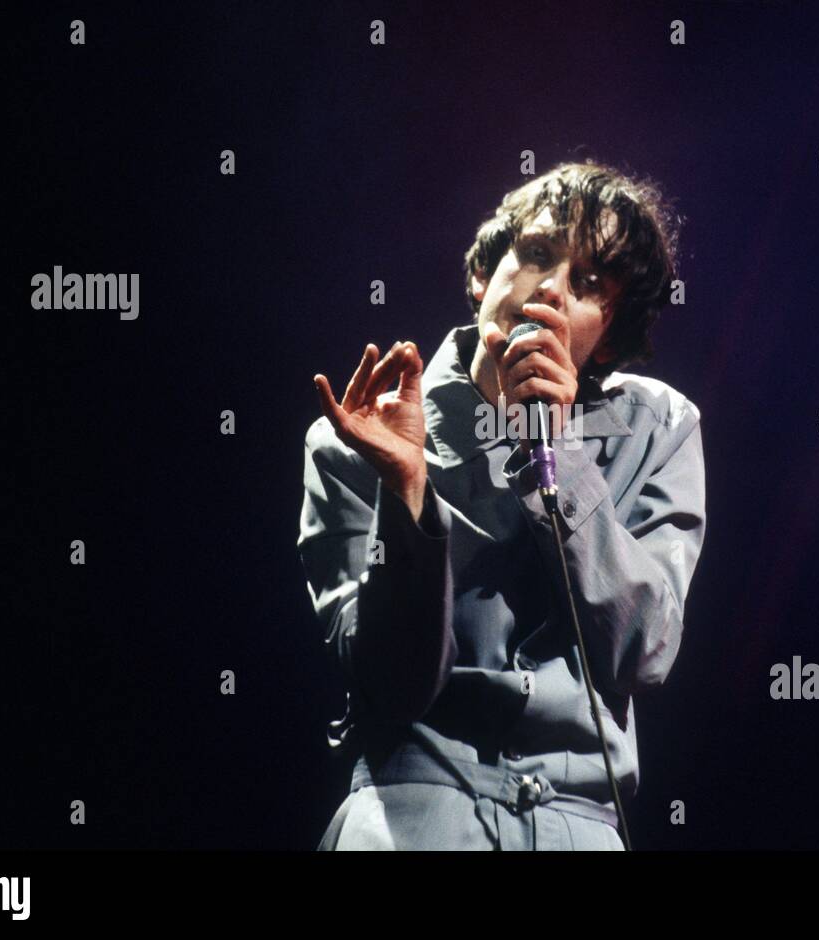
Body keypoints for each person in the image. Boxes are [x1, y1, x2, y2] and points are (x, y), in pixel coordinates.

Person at [297, 160, 706, 850]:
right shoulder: (359, 431)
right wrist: (405, 497)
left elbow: (648, 650)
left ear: (607, 334)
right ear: (486, 274)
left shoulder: (659, 427)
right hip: (413, 813)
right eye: (536, 254)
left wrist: (558, 453)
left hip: (577, 821)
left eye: (588, 283)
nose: (548, 288)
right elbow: (391, 684)